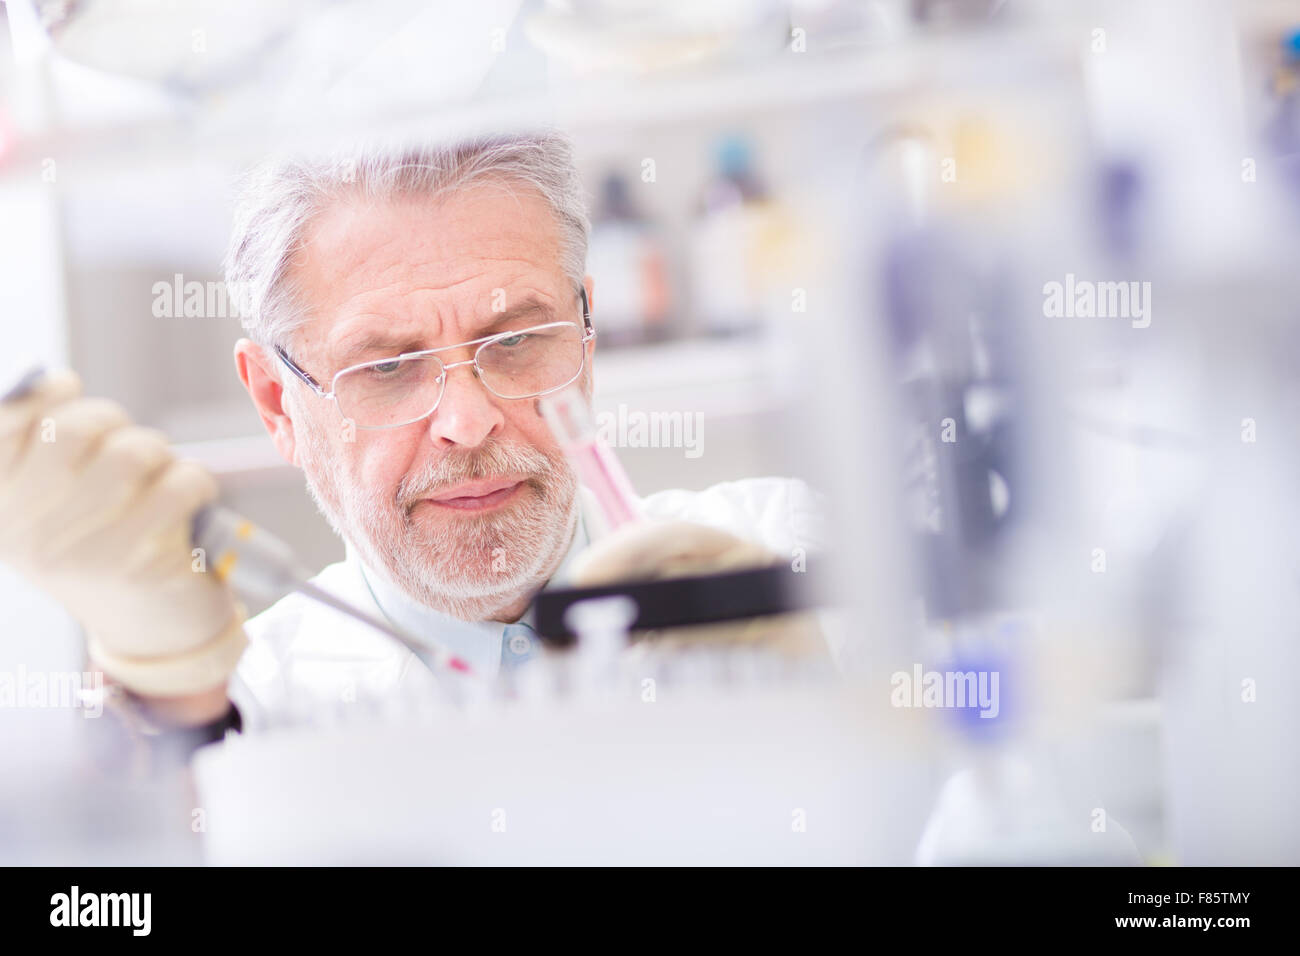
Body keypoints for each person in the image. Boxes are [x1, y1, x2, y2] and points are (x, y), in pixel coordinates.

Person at [0, 130, 824, 751]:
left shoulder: (795, 556)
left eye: (515, 342)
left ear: (586, 336)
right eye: (390, 366)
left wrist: (827, 719)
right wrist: (160, 702)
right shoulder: (246, 707)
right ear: (276, 404)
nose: (467, 422)